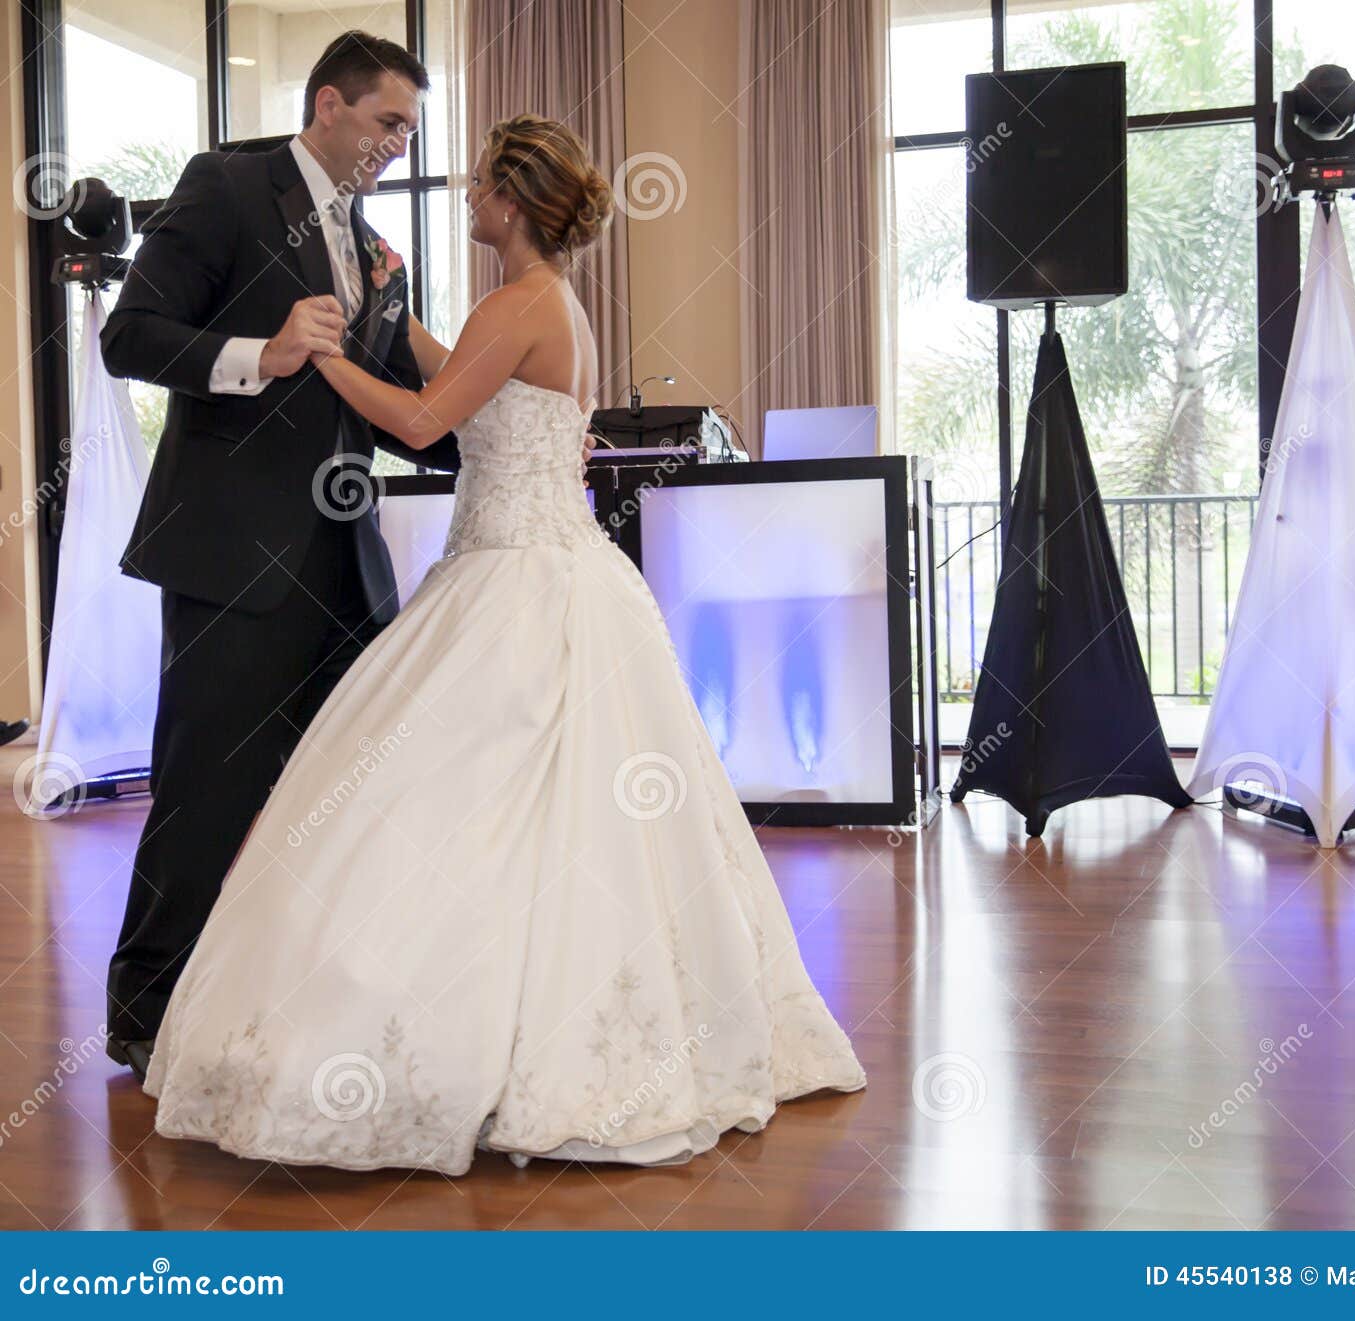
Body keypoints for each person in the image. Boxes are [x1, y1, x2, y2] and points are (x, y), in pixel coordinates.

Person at [138, 113, 866, 1172]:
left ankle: (458, 1039)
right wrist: (389, 315)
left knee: (444, 797)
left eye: (481, 184)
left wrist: (321, 355)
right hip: (539, 568)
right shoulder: (540, 302)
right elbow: (461, 377)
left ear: (513, 204)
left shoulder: (519, 303)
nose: (469, 196)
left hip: (513, 580)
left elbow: (423, 421)